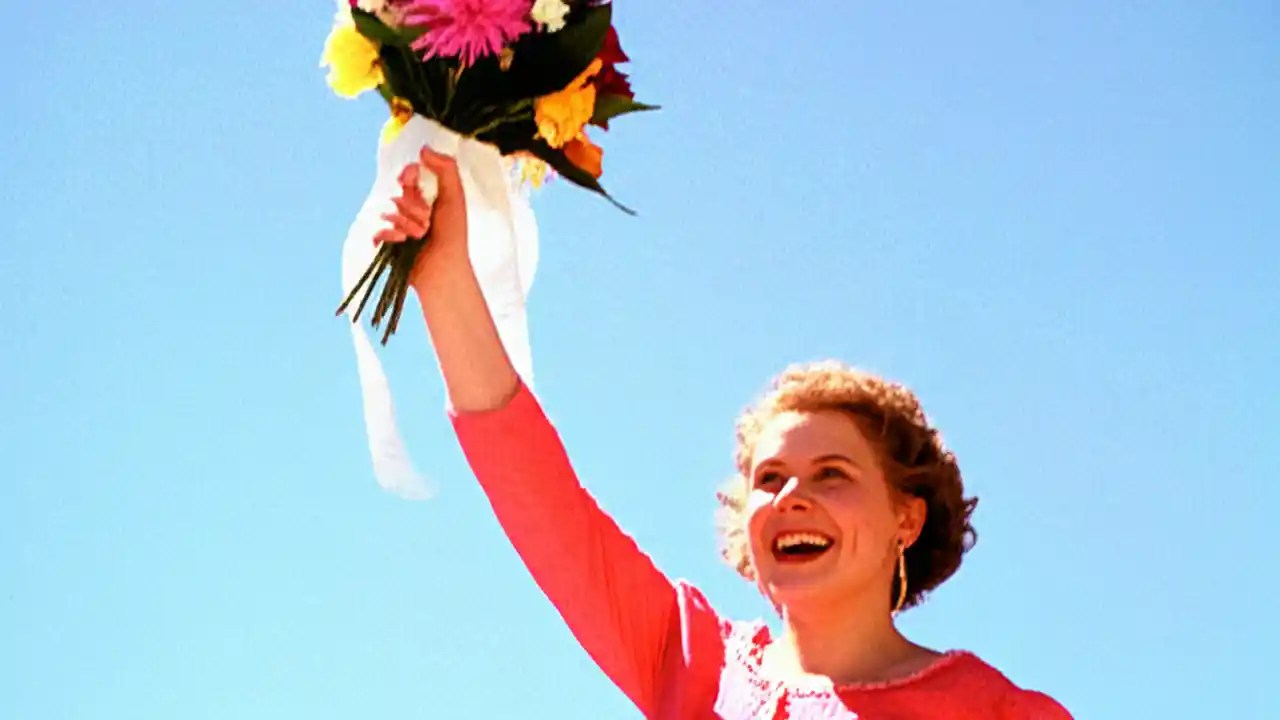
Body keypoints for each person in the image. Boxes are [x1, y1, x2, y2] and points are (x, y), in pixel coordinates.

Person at [374, 147, 1074, 719]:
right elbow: (539, 497)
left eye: (833, 473)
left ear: (906, 518)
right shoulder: (687, 659)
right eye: (769, 479)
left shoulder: (996, 710)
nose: (791, 496)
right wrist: (442, 279)